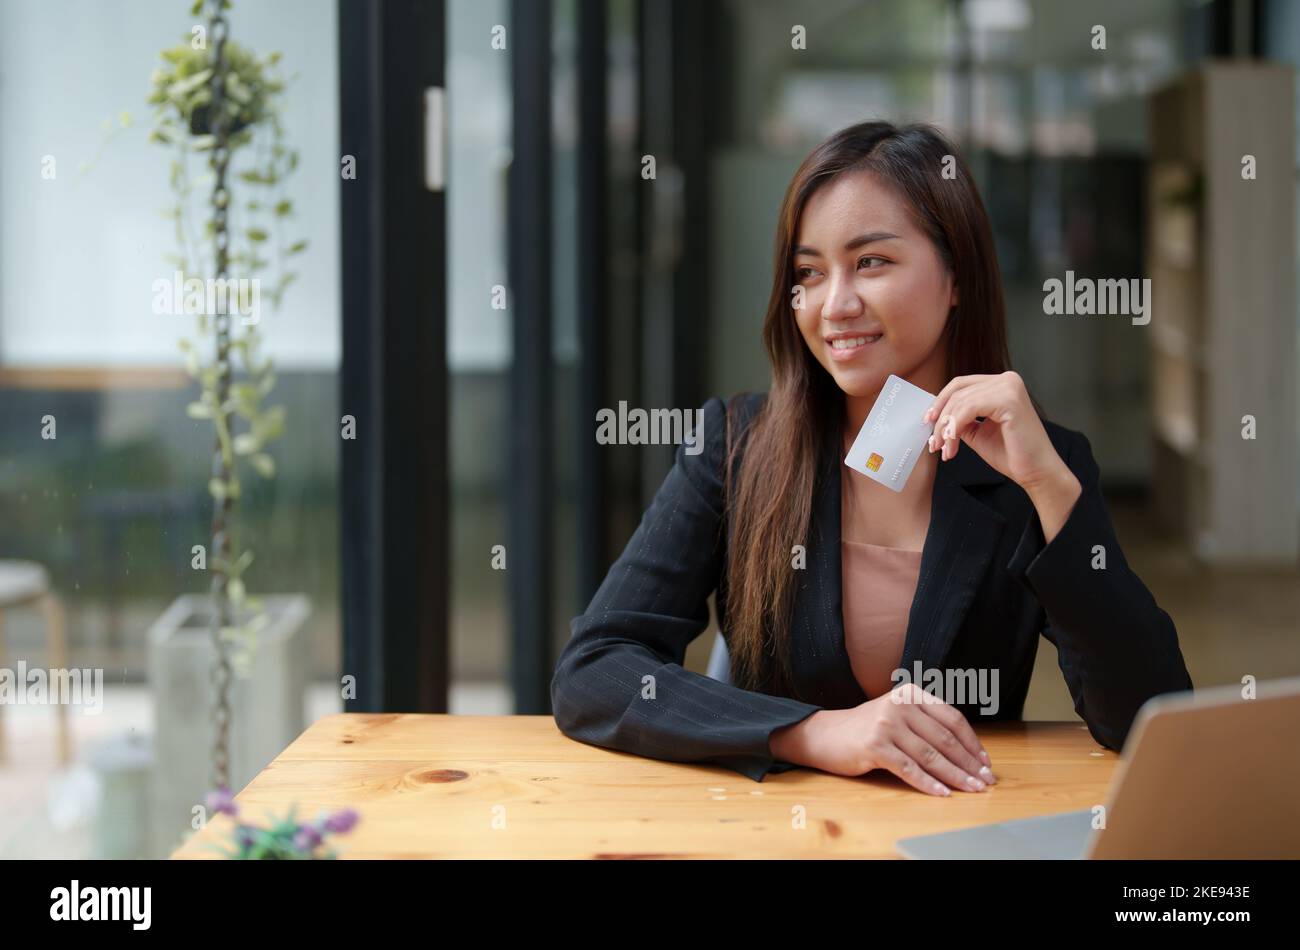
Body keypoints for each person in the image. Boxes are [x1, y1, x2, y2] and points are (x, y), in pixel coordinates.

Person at [550, 121, 1193, 795]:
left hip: (950, 830)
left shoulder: (1042, 464)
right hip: (777, 834)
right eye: (809, 273)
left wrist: (1050, 491)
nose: (836, 304)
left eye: (872, 262)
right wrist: (816, 732)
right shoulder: (735, 446)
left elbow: (1150, 717)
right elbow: (594, 671)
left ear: (957, 278)